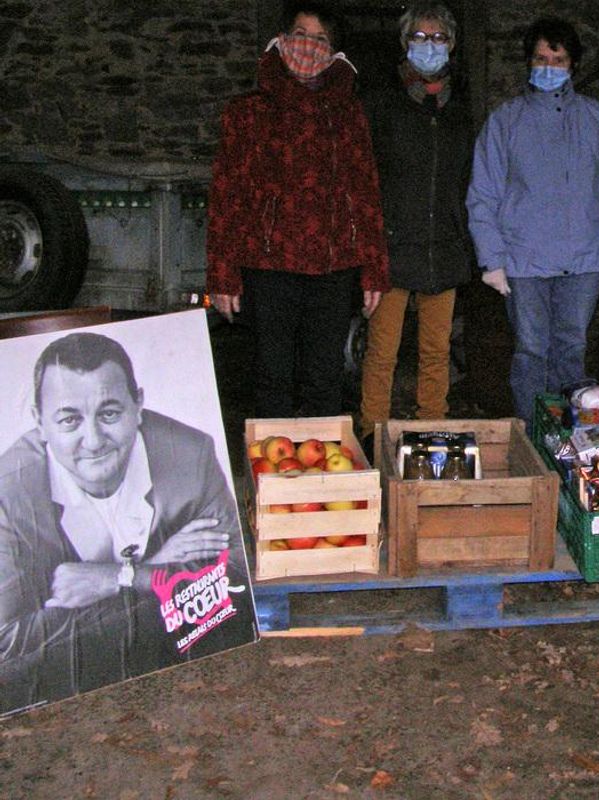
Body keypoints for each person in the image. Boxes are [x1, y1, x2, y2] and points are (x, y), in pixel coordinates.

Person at [0, 333, 255, 715]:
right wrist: (160, 571)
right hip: (68, 703)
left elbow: (238, 584)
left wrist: (120, 577)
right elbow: (8, 650)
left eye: (109, 413)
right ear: (39, 422)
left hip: (187, 687)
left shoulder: (190, 454)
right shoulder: (9, 492)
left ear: (138, 404)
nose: (94, 440)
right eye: (69, 420)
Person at [206, 1, 389, 419]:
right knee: (272, 377)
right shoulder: (248, 112)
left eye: (320, 39)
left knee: (325, 379)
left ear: (334, 53)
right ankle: (274, 477)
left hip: (333, 269)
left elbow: (365, 192)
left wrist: (374, 267)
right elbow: (226, 196)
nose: (307, 47)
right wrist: (222, 273)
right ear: (282, 40)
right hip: (269, 267)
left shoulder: (348, 113)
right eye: (300, 35)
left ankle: (321, 479)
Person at [467, 16, 599, 427]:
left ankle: (572, 437)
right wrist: (491, 258)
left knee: (572, 347)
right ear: (529, 63)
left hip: (583, 258)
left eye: (558, 59)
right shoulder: (505, 122)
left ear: (573, 65)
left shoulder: (596, 119)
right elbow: (483, 193)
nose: (548, 67)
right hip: (524, 259)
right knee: (530, 350)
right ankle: (531, 435)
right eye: (541, 58)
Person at [359, 2, 474, 439]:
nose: (430, 46)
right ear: (405, 44)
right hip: (392, 247)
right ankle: (371, 432)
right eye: (420, 38)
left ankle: (433, 431)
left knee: (435, 350)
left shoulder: (459, 111)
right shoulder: (383, 106)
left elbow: (466, 178)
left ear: (452, 45)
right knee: (382, 351)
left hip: (442, 246)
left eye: (439, 38)